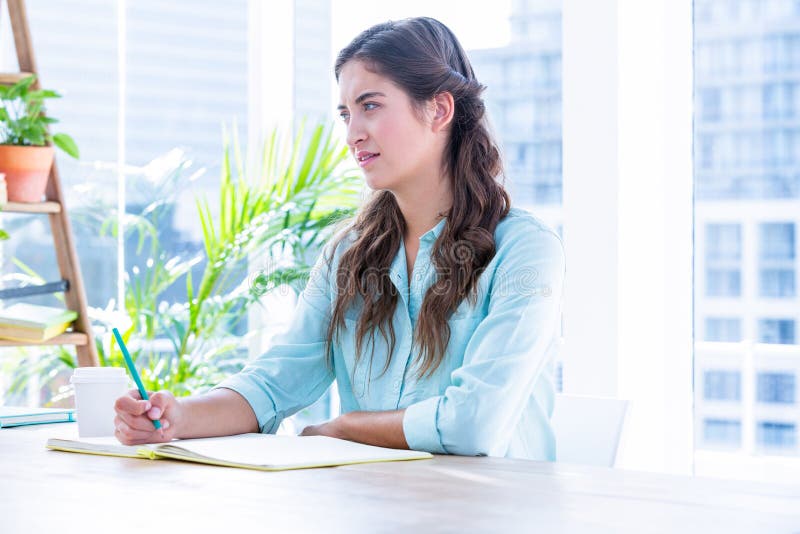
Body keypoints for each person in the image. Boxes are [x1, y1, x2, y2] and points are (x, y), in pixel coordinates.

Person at [113, 16, 565, 460]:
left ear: (439, 109)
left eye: (371, 106)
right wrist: (178, 417)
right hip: (377, 503)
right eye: (347, 113)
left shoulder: (524, 249)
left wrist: (346, 428)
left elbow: (474, 424)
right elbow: (276, 381)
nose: (352, 134)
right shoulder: (349, 254)